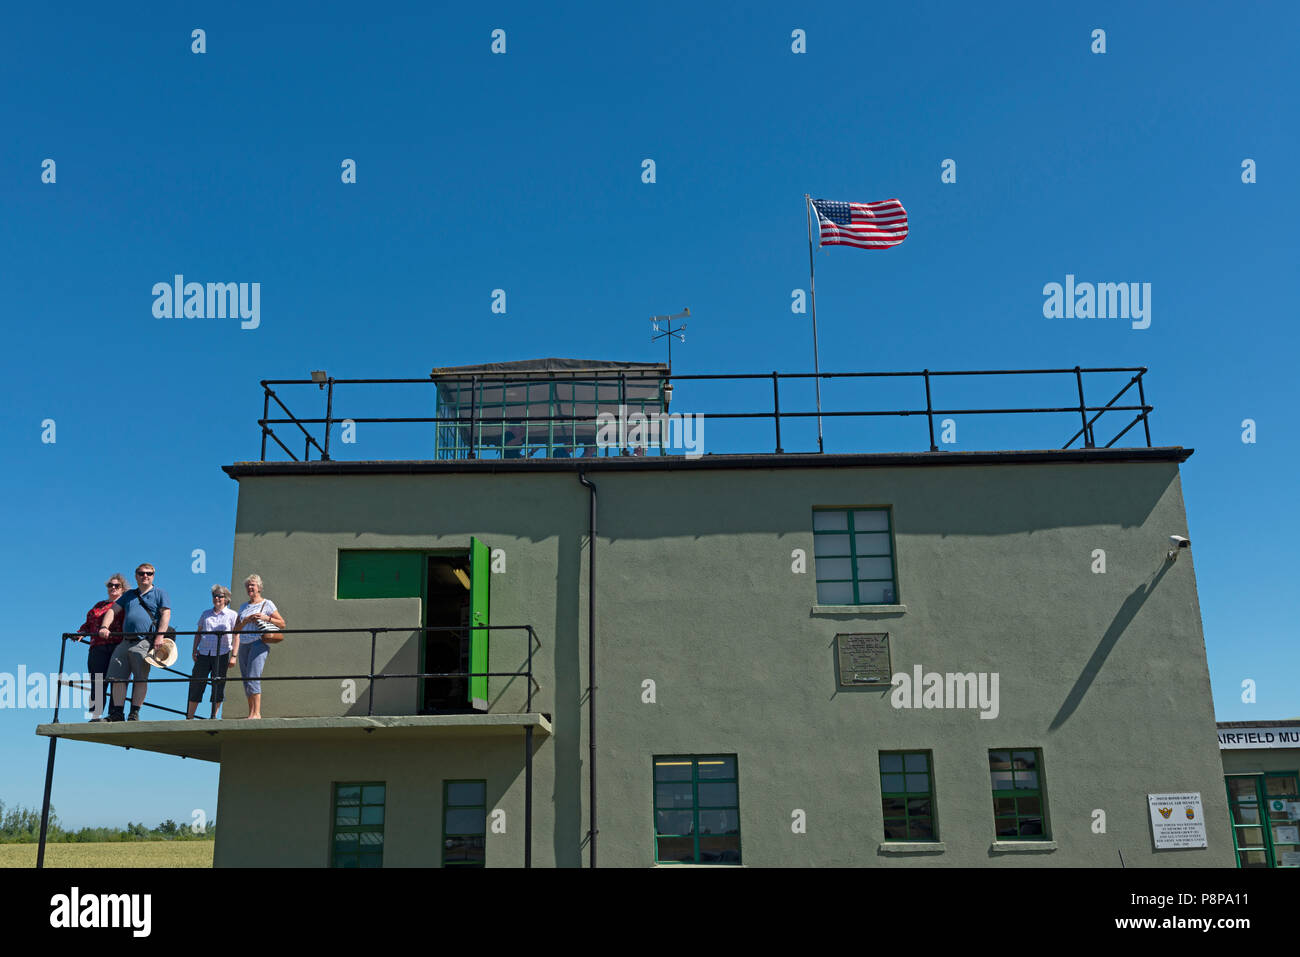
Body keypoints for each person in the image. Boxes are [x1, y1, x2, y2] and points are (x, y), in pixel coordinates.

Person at [98, 563, 171, 722]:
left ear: (153, 575)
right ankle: (117, 713)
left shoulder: (160, 593)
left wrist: (160, 636)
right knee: (117, 677)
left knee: (140, 678)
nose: (145, 576)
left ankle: (134, 713)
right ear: (136, 575)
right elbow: (112, 610)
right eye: (141, 573)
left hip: (144, 641)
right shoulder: (129, 595)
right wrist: (104, 626)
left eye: (149, 573)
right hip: (125, 641)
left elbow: (165, 615)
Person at [76, 573, 129, 721]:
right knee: (97, 681)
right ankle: (95, 714)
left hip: (117, 646)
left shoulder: (126, 605)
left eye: (116, 585)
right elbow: (89, 623)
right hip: (97, 646)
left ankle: (115, 714)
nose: (113, 587)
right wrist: (82, 633)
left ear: (122, 589)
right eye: (110, 585)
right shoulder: (99, 605)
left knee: (117, 680)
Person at [234, 574, 285, 719]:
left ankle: (257, 713)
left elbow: (282, 623)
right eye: (248, 585)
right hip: (244, 644)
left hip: (258, 642)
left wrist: (265, 618)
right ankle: (251, 712)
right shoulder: (243, 607)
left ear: (259, 588)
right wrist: (246, 621)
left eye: (253, 585)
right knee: (245, 679)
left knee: (253, 676)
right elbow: (235, 629)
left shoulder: (267, 604)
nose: (250, 588)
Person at [187, 585, 238, 719]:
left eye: (220, 596)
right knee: (197, 683)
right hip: (204, 652)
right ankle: (189, 717)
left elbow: (236, 635)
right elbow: (198, 633)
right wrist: (194, 650)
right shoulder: (206, 613)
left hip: (222, 653)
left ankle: (213, 716)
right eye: (214, 595)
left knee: (218, 684)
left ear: (226, 599)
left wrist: (234, 656)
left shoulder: (232, 615)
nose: (216, 598)